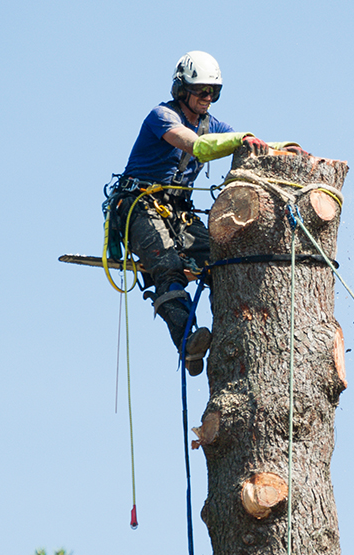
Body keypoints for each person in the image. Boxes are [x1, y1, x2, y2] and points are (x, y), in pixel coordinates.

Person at [110, 51, 267, 375]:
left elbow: (243, 142)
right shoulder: (162, 116)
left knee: (223, 259)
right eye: (201, 91)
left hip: (177, 213)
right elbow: (198, 147)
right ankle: (187, 341)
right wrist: (242, 139)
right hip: (138, 207)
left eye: (214, 92)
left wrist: (280, 147)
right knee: (167, 267)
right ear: (182, 90)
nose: (208, 98)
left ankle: (228, 337)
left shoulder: (212, 123)